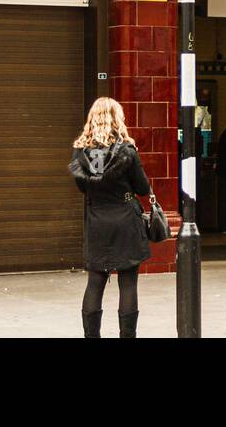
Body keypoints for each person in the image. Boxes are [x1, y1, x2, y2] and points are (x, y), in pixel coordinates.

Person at [68, 97, 153, 338]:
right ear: (117, 119)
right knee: (128, 282)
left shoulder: (80, 153)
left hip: (97, 219)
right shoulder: (126, 150)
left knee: (96, 279)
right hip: (125, 219)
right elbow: (143, 187)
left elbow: (83, 188)